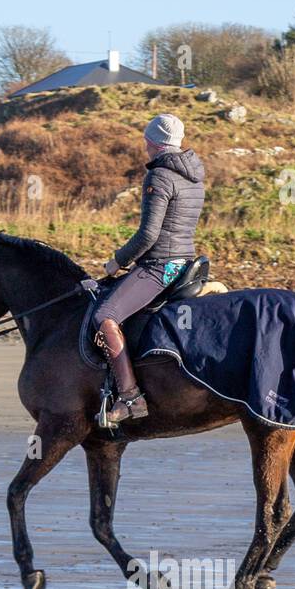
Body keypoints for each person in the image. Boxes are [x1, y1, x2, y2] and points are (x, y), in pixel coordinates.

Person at [93, 113, 206, 423]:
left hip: (161, 265)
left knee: (105, 317)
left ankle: (131, 398)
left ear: (152, 143)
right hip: (185, 260)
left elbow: (148, 235)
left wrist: (116, 262)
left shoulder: (159, 176)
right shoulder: (193, 174)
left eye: (145, 141)